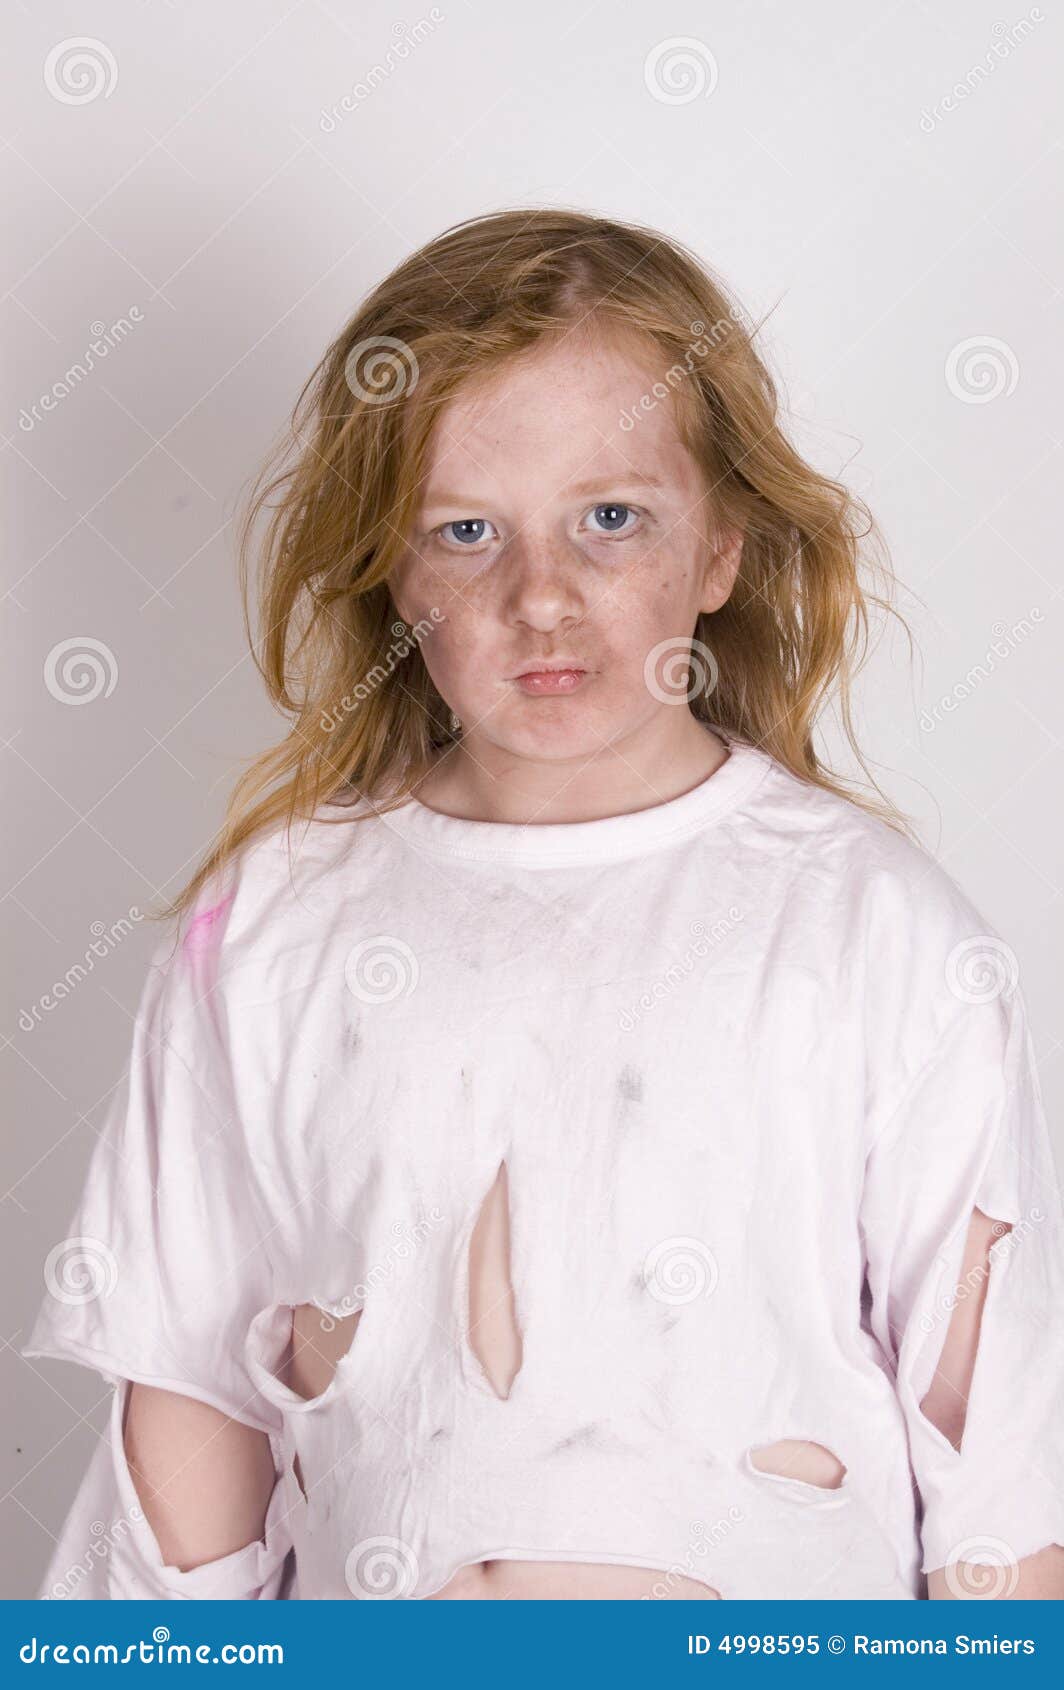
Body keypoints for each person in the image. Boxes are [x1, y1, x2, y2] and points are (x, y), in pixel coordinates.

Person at [23, 209, 1064, 1601]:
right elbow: (194, 1403)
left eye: (612, 520)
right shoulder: (271, 923)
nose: (542, 596)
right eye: (466, 532)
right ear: (394, 570)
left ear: (722, 552)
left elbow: (998, 1466)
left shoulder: (874, 930)